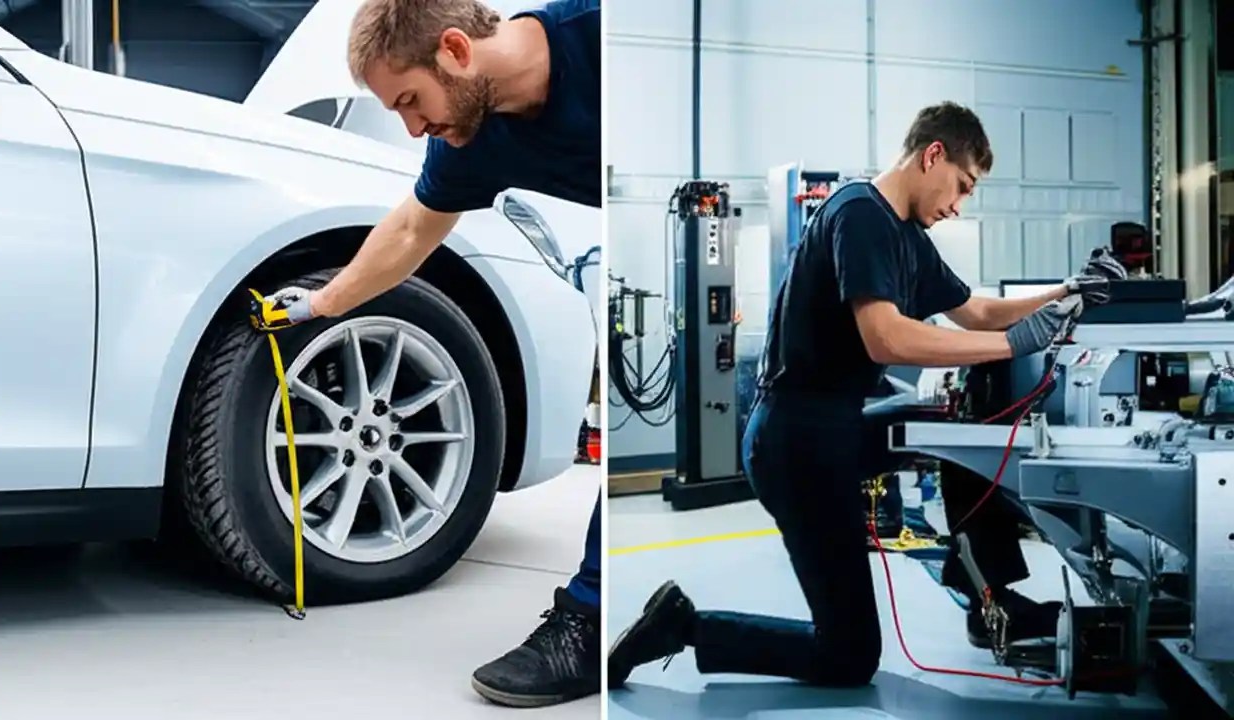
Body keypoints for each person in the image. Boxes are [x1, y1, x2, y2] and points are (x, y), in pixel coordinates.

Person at [607, 101, 1111, 689]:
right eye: (962, 187)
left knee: (963, 430)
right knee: (847, 654)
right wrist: (1011, 345)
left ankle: (991, 598)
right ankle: (684, 625)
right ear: (933, 155)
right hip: (797, 445)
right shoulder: (860, 214)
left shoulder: (906, 234)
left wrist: (1069, 291)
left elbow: (975, 311)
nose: (958, 205)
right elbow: (885, 337)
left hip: (836, 426)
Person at [264, 0, 602, 707]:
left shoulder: (603, 38)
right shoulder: (466, 143)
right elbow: (415, 227)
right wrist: (323, 303)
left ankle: (590, 622)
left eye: (411, 101)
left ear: (455, 49)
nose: (414, 126)